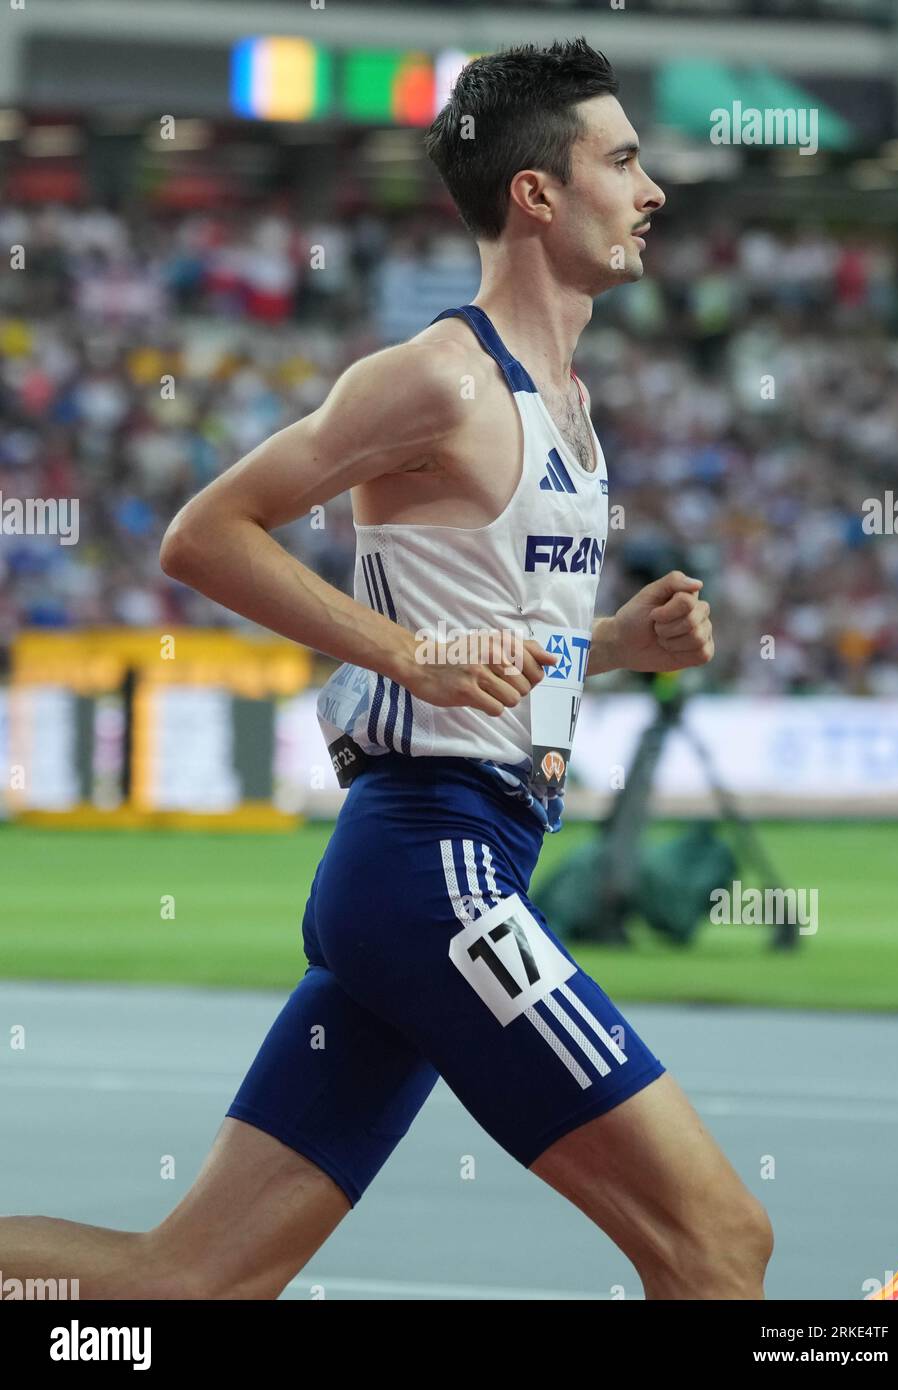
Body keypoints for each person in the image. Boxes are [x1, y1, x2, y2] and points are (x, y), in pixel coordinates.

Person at [1, 38, 774, 1301]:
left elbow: (487, 645)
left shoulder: (569, 405)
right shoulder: (438, 377)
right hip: (432, 865)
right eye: (623, 161)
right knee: (720, 1244)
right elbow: (205, 534)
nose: (653, 192)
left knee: (186, 1284)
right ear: (536, 192)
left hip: (450, 867)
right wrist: (405, 654)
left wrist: (613, 647)